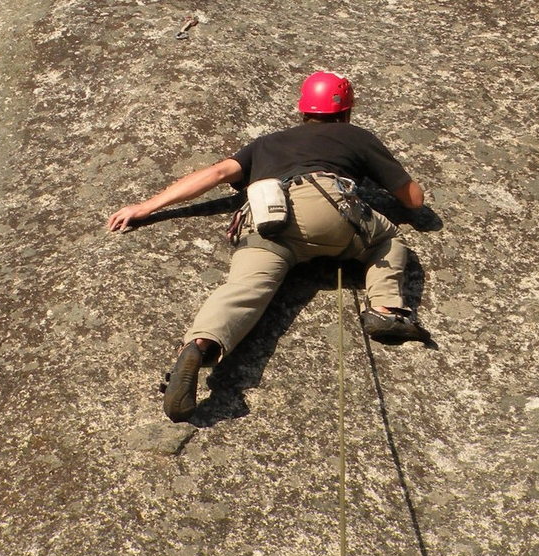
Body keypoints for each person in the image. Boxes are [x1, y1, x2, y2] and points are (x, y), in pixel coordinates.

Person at [106, 71, 430, 421]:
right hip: (327, 209)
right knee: (387, 239)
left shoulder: (266, 143)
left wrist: (145, 207)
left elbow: (214, 174)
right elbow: (412, 200)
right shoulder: (355, 136)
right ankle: (384, 310)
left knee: (244, 289)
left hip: (267, 217)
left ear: (301, 109)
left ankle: (198, 346)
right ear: (347, 111)